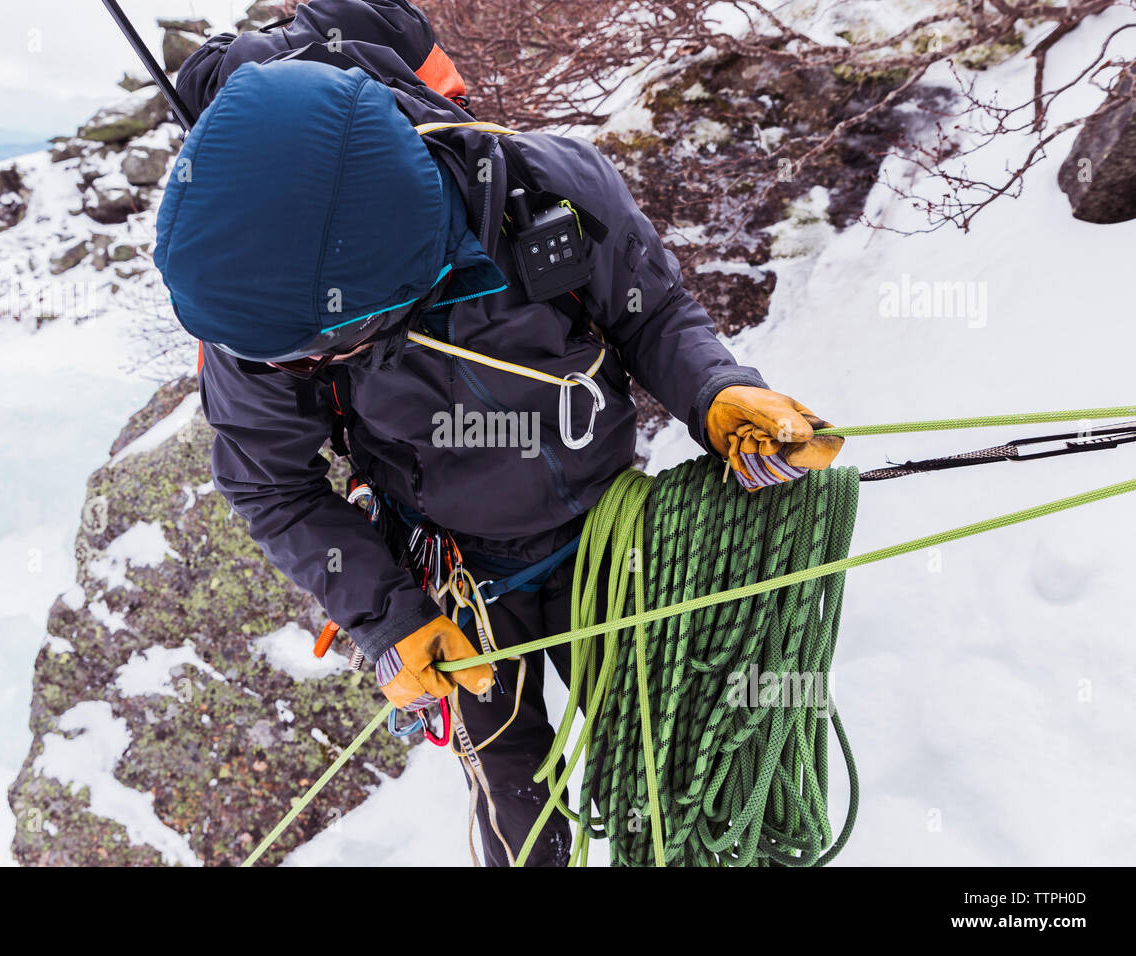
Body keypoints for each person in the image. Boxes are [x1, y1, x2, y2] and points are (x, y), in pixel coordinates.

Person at [154, 0, 842, 866]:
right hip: (453, 579)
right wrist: (391, 619)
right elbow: (272, 486)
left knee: (671, 775)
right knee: (521, 806)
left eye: (328, 349)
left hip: (612, 537)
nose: (290, 369)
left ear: (404, 273)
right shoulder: (262, 319)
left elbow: (652, 312)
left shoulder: (544, 191)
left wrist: (718, 393)